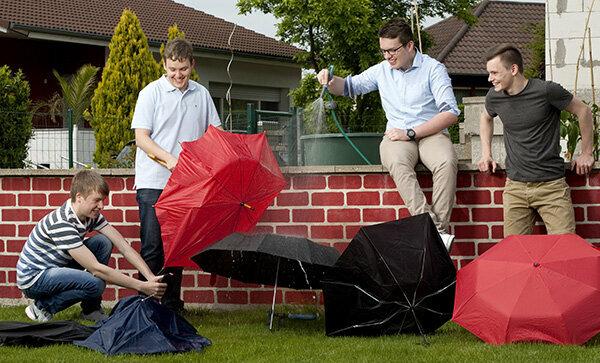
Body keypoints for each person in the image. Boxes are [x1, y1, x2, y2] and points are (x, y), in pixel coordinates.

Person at [317, 18, 460, 250]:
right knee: (396, 161)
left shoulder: (433, 69)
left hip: (430, 132)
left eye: (393, 50)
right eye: (383, 51)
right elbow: (348, 87)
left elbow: (450, 113)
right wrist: (330, 80)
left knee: (446, 161)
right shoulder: (382, 71)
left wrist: (412, 132)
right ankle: (432, 228)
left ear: (410, 46)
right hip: (396, 136)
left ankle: (439, 233)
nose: (387, 56)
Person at [131, 38, 222, 312]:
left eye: (183, 69)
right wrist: (171, 161)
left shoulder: (202, 94)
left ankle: (171, 305)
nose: (178, 75)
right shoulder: (151, 93)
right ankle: (148, 305)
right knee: (153, 248)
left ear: (192, 65)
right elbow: (141, 139)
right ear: (164, 65)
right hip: (153, 183)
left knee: (177, 248)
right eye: (172, 69)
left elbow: (214, 135)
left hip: (187, 185)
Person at [17, 170, 166, 323]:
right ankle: (42, 307)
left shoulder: (90, 216)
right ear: (79, 198)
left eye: (103, 200)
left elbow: (123, 246)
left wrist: (150, 277)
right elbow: (96, 269)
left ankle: (91, 310)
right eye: (97, 200)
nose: (101, 206)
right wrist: (142, 286)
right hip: (34, 278)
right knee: (95, 283)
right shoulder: (62, 223)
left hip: (56, 266)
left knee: (103, 242)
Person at [478, 44, 594, 236]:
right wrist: (486, 154)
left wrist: (586, 152)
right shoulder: (494, 96)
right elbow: (485, 117)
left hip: (552, 187)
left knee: (565, 250)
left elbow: (583, 110)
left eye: (494, 73)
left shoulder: (547, 91)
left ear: (513, 69)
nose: (490, 79)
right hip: (515, 187)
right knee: (515, 254)